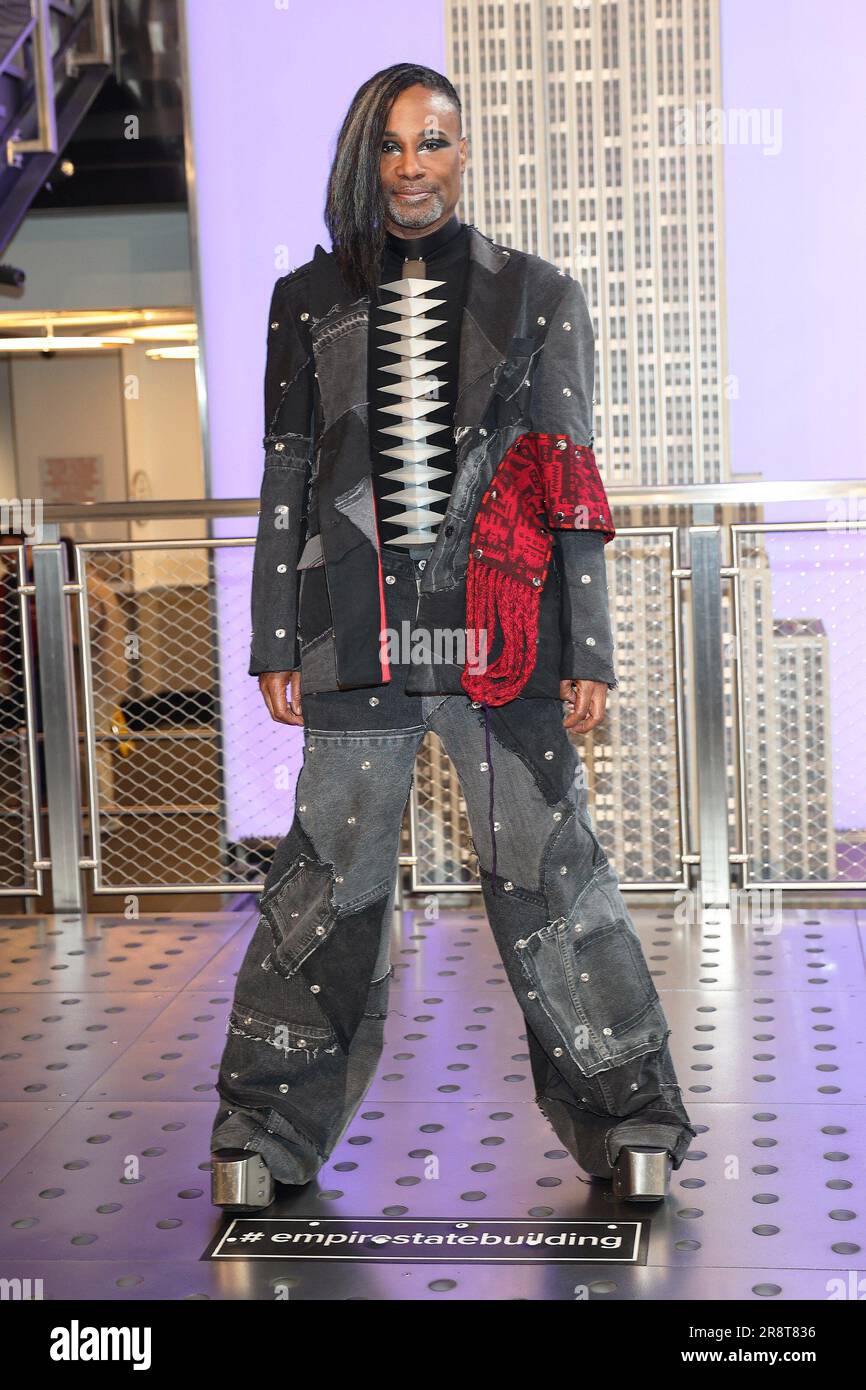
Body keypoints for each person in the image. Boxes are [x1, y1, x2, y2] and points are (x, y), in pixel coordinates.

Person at [210, 62, 696, 1213]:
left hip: (505, 644)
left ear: (462, 152)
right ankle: (265, 1129)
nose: (413, 165)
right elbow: (287, 473)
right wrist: (274, 635)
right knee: (324, 888)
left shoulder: (534, 295)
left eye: (433, 142)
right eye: (391, 145)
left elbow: (565, 483)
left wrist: (587, 649)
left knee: (553, 876)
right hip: (352, 642)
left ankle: (630, 1121)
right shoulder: (304, 295)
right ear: (365, 158)